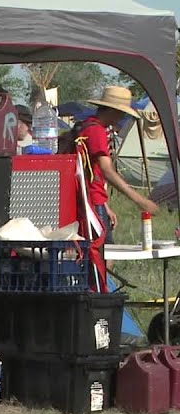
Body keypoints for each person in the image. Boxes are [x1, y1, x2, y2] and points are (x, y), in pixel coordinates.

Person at [71, 86, 160, 292]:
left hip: (94, 200)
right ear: (114, 111)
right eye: (121, 112)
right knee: (101, 256)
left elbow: (91, 172)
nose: (121, 117)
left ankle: (100, 292)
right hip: (92, 203)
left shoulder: (86, 127)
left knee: (103, 254)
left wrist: (106, 205)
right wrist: (140, 200)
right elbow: (107, 170)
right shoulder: (96, 131)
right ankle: (99, 297)